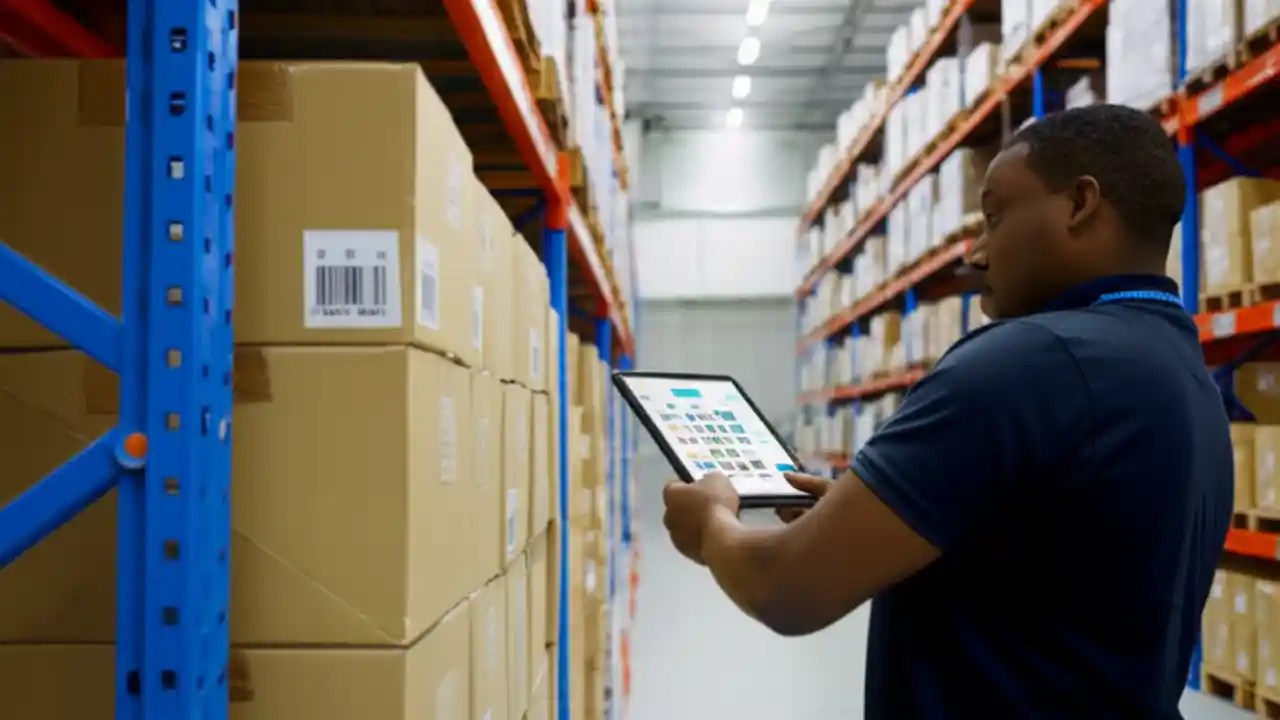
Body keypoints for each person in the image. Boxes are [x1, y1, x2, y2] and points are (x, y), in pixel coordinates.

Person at [660, 104, 1232, 718]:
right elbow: (1060, 563)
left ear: (1078, 205)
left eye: (994, 217)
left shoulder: (1029, 360)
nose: (976, 253)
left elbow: (784, 587)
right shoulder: (1180, 370)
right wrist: (885, 512)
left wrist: (714, 524)